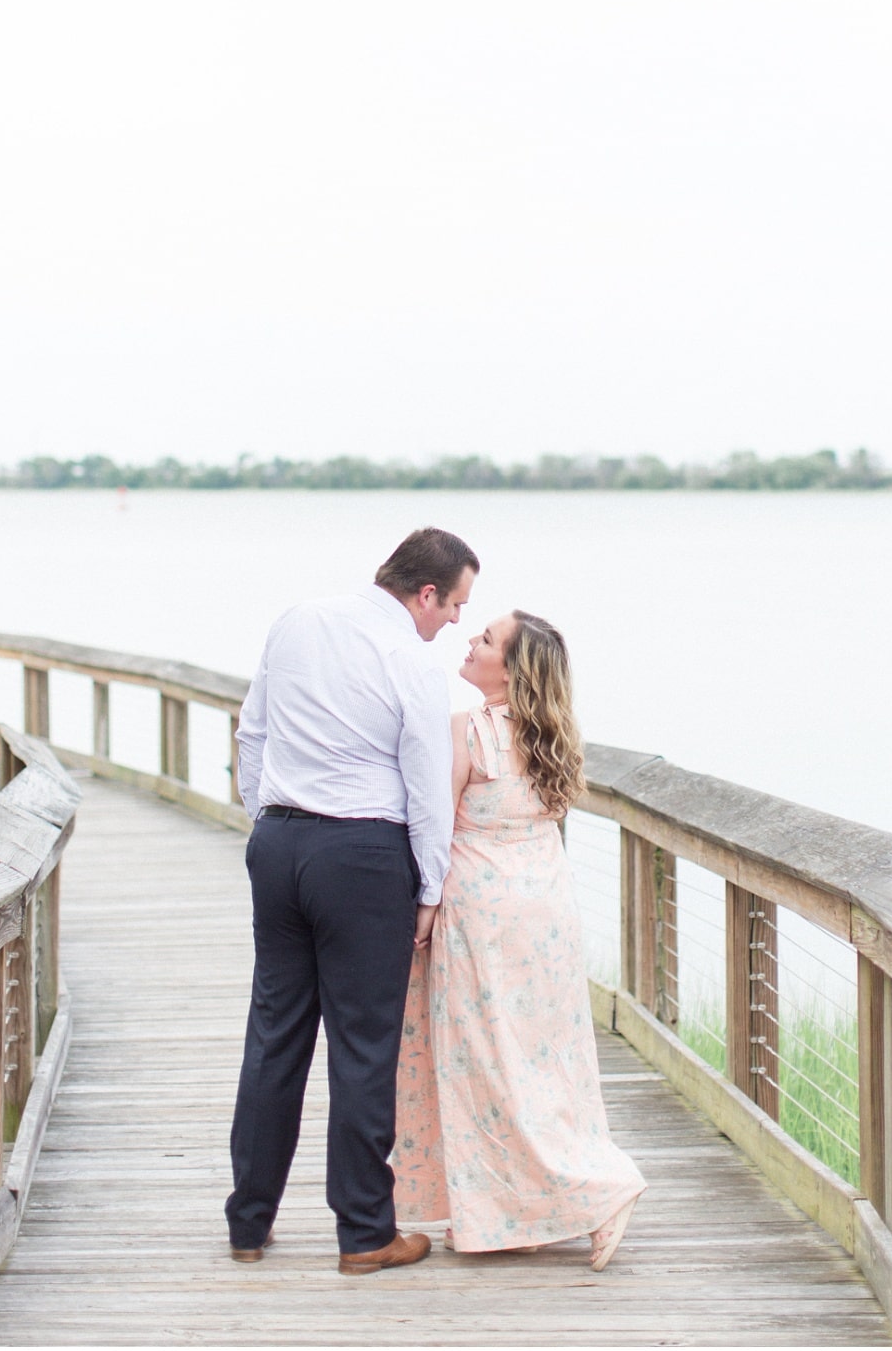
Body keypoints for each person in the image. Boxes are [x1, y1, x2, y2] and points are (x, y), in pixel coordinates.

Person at [225, 527, 479, 1275]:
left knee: (274, 1033)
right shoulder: (410, 659)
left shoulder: (297, 620)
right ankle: (366, 1233)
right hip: (364, 856)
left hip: (280, 844)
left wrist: (268, 818)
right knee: (365, 1047)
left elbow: (252, 731)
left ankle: (248, 1223)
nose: (456, 620)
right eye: (456, 604)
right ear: (425, 593)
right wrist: (429, 886)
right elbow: (426, 782)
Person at [394, 610, 647, 1269]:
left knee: (486, 1061)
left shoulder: (468, 730)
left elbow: (435, 826)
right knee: (544, 1061)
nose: (470, 641)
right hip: (545, 911)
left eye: (485, 639)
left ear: (509, 671)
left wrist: (424, 907)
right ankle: (517, 1213)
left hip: (482, 914)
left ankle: (601, 1189)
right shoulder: (553, 737)